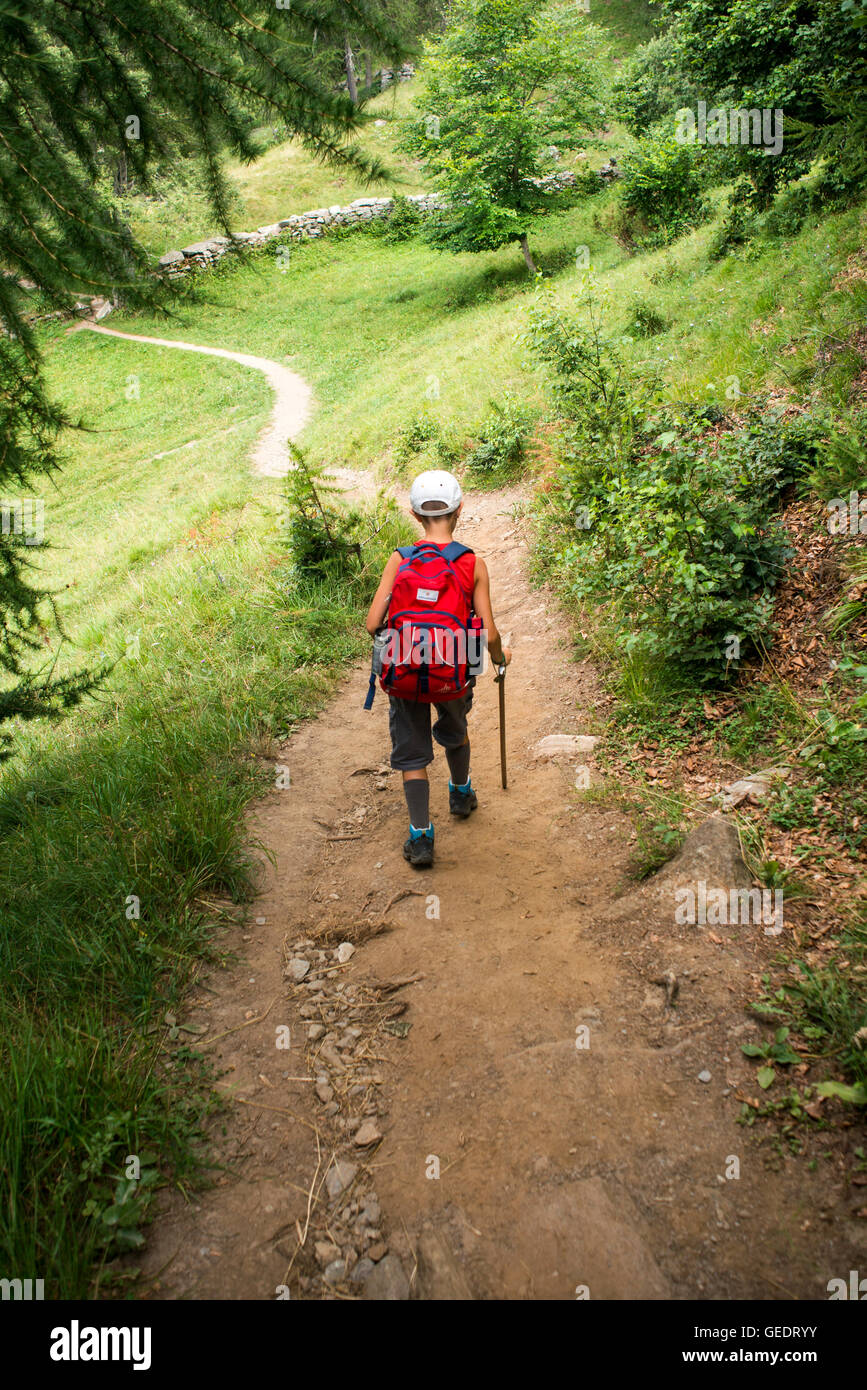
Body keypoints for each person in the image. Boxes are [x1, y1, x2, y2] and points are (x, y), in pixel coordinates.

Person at [365, 469, 511, 868]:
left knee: (412, 756)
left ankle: (421, 837)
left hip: (405, 675)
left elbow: (372, 623)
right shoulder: (472, 564)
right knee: (456, 732)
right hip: (453, 674)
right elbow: (489, 632)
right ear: (459, 509)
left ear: (415, 515)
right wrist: (499, 659)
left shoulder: (401, 559)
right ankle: (461, 793)